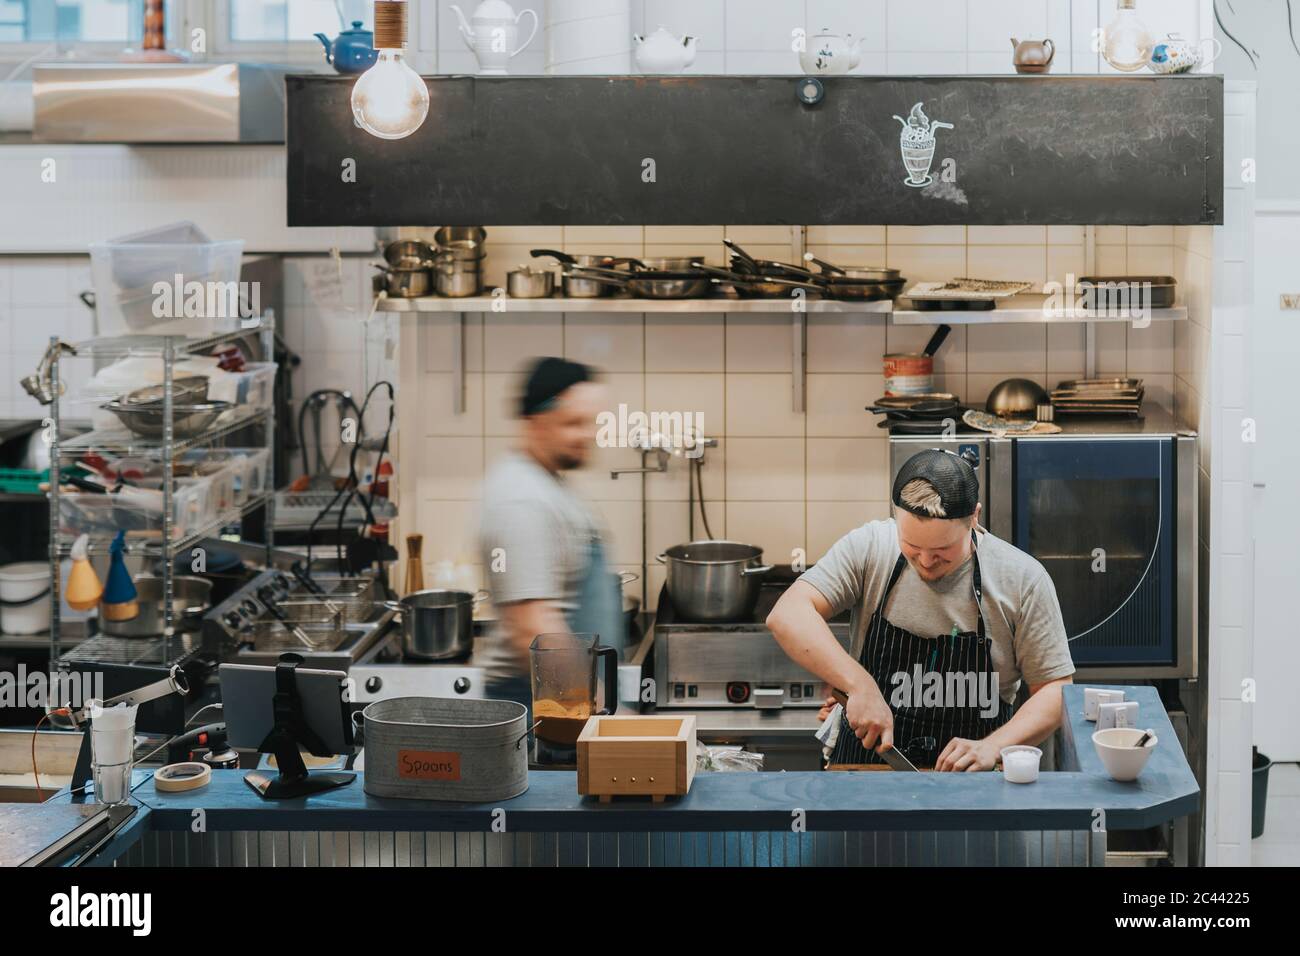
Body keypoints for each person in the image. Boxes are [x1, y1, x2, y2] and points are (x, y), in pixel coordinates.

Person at [767, 448, 1075, 771]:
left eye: (943, 550)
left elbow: (1055, 689)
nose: (926, 562)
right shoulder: (871, 547)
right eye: (912, 547)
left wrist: (993, 747)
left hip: (972, 782)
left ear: (975, 517)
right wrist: (858, 684)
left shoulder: (1022, 579)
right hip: (867, 775)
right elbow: (788, 614)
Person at [477, 357, 624, 714]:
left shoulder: (548, 484)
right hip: (543, 708)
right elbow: (531, 628)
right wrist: (603, 712)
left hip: (567, 701)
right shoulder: (520, 500)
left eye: (591, 422)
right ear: (534, 422)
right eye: (573, 423)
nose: (588, 434)